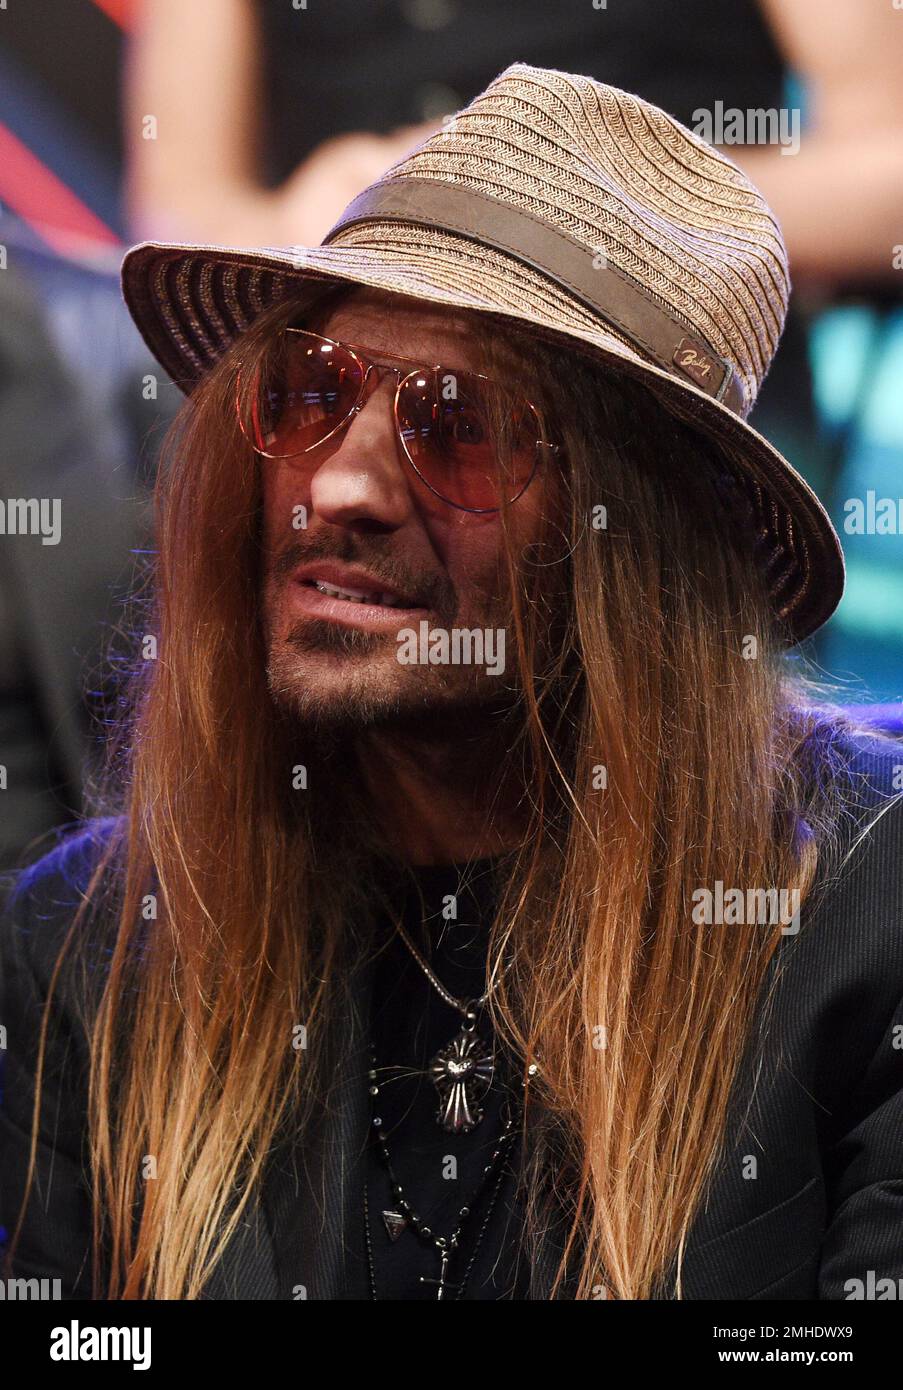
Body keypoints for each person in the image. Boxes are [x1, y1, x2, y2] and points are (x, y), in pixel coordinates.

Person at [2, 64, 902, 1302]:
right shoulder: (87, 951)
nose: (338, 489)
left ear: (638, 536)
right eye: (313, 395)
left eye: (457, 424)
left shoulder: (866, 910)